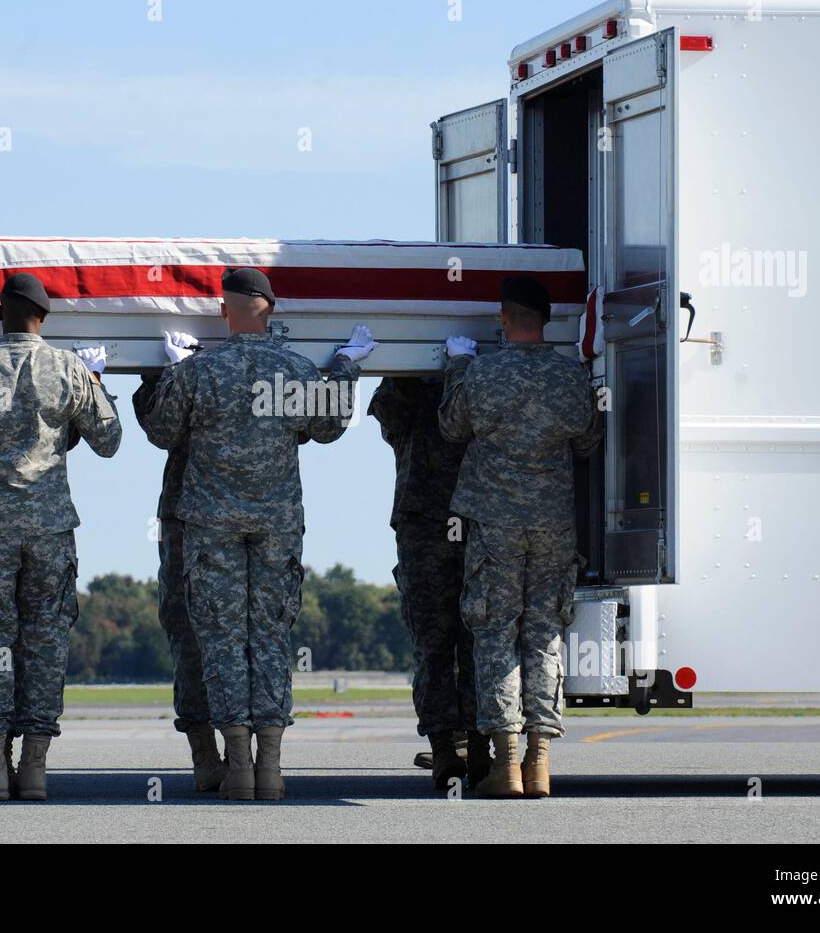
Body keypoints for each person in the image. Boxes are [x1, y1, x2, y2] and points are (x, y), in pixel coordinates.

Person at [144, 267, 375, 800]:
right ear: (271, 310)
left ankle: (239, 768)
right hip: (276, 526)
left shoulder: (200, 371)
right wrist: (344, 365)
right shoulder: (294, 369)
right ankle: (271, 769)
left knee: (222, 639)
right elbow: (331, 426)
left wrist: (165, 374)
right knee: (270, 637)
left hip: (211, 525)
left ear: (225, 311)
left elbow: (160, 432)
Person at [0, 272, 122, 800]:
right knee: (44, 644)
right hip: (50, 530)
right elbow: (110, 441)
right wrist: (96, 384)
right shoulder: (69, 370)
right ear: (44, 317)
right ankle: (34, 769)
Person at [439, 276, 603, 799]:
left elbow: (450, 426)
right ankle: (540, 763)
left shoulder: (483, 373)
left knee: (495, 634)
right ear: (545, 320)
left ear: (504, 319)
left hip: (495, 526)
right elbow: (588, 440)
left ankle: (505, 763)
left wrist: (457, 367)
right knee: (543, 636)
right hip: (553, 524)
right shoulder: (569, 376)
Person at [368, 377, 483, 790]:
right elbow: (390, 415)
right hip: (424, 523)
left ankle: (479, 743)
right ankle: (444, 746)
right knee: (433, 640)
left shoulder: (478, 374)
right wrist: (413, 371)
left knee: (479, 638)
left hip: (477, 518)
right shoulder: (404, 380)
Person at [134, 361, 225, 791]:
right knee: (187, 631)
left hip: (243, 524)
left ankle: (249, 756)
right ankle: (206, 752)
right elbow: (159, 428)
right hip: (186, 518)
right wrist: (159, 379)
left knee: (249, 637)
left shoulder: (262, 369)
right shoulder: (183, 377)